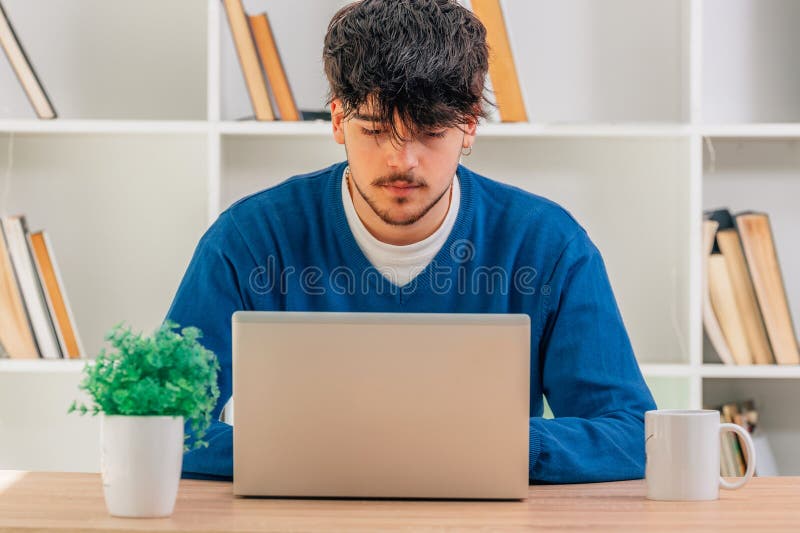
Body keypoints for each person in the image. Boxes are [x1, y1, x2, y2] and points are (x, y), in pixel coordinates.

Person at [165, 0, 656, 484]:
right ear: (337, 120)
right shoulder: (249, 240)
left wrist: (500, 445)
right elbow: (161, 421)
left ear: (468, 126)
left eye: (429, 132)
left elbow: (632, 433)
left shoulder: (547, 245)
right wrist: (322, 451)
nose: (402, 161)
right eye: (376, 130)